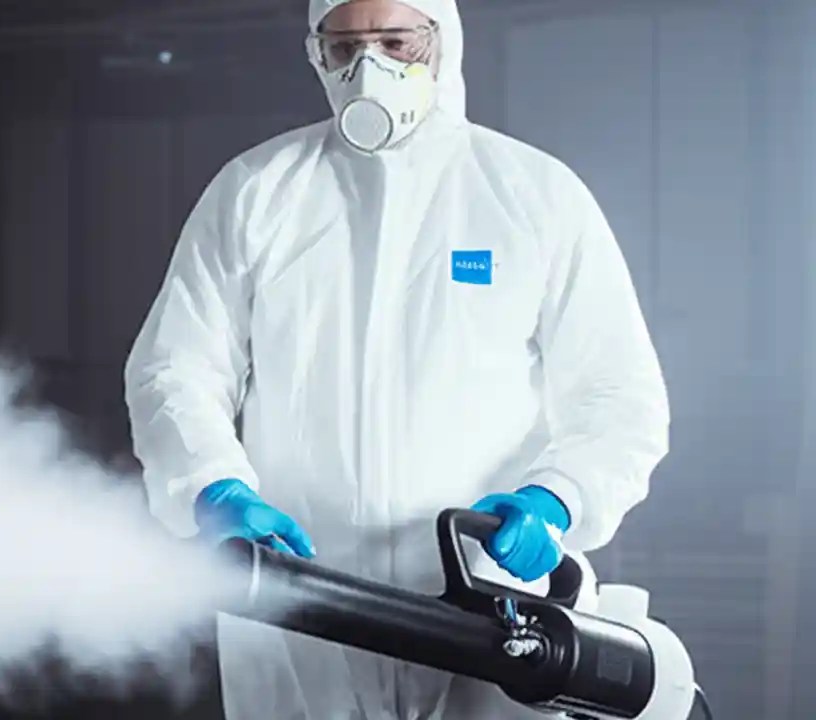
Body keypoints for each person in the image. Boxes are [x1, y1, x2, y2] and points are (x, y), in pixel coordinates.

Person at [123, 0, 670, 717]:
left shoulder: (533, 194)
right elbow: (175, 371)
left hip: (490, 604)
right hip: (300, 603)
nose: (367, 68)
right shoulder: (258, 191)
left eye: (395, 42)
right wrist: (214, 488)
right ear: (315, 52)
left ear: (443, 42)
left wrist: (557, 500)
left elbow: (619, 396)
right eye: (343, 47)